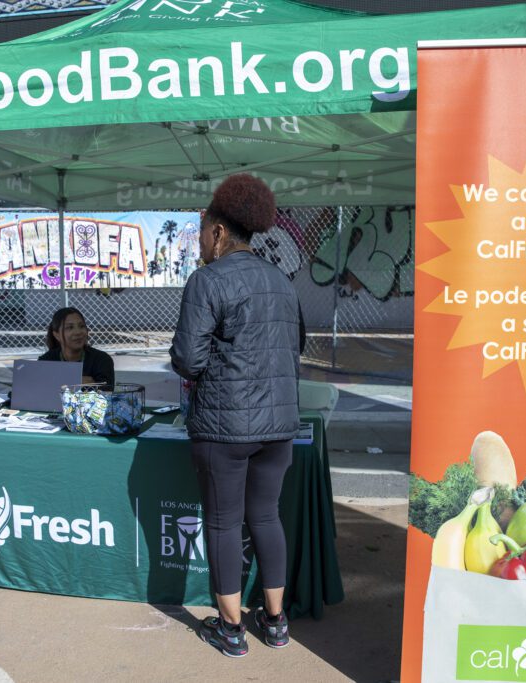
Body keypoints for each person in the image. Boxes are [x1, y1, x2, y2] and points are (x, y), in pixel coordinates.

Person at [170, 174, 303, 658]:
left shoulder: (207, 280)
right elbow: (296, 348)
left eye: (203, 230)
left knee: (224, 523)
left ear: (220, 232)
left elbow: (188, 359)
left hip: (225, 426)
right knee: (266, 517)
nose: (200, 240)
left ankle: (230, 630)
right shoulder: (281, 282)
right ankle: (275, 621)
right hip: (279, 425)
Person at [39, 307, 114, 387]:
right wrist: (75, 382)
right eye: (70, 327)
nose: (78, 332)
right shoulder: (45, 361)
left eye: (81, 326)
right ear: (56, 335)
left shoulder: (102, 360)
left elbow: (106, 396)